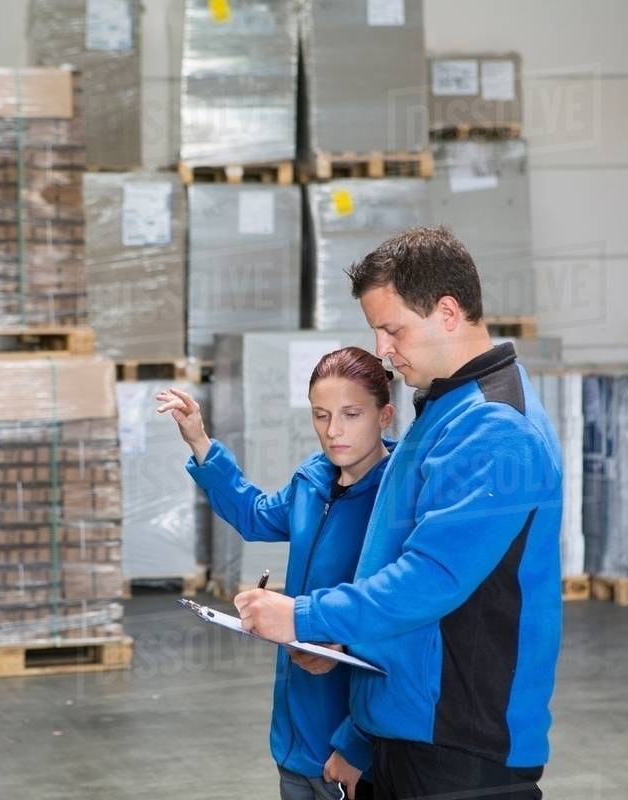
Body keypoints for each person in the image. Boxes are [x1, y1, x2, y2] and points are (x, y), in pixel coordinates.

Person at [233, 226, 564, 799]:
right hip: (406, 736)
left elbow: (430, 580)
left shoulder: (497, 430)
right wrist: (359, 735)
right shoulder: (443, 411)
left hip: (458, 748)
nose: (383, 350)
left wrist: (305, 617)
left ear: (448, 312)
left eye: (393, 329)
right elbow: (393, 572)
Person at [155, 347, 396, 800]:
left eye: (351, 414)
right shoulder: (312, 482)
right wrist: (199, 440)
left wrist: (357, 745)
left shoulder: (399, 501)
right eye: (321, 415)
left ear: (385, 416)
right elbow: (254, 515)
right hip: (295, 734)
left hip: (352, 745)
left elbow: (405, 623)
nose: (334, 430)